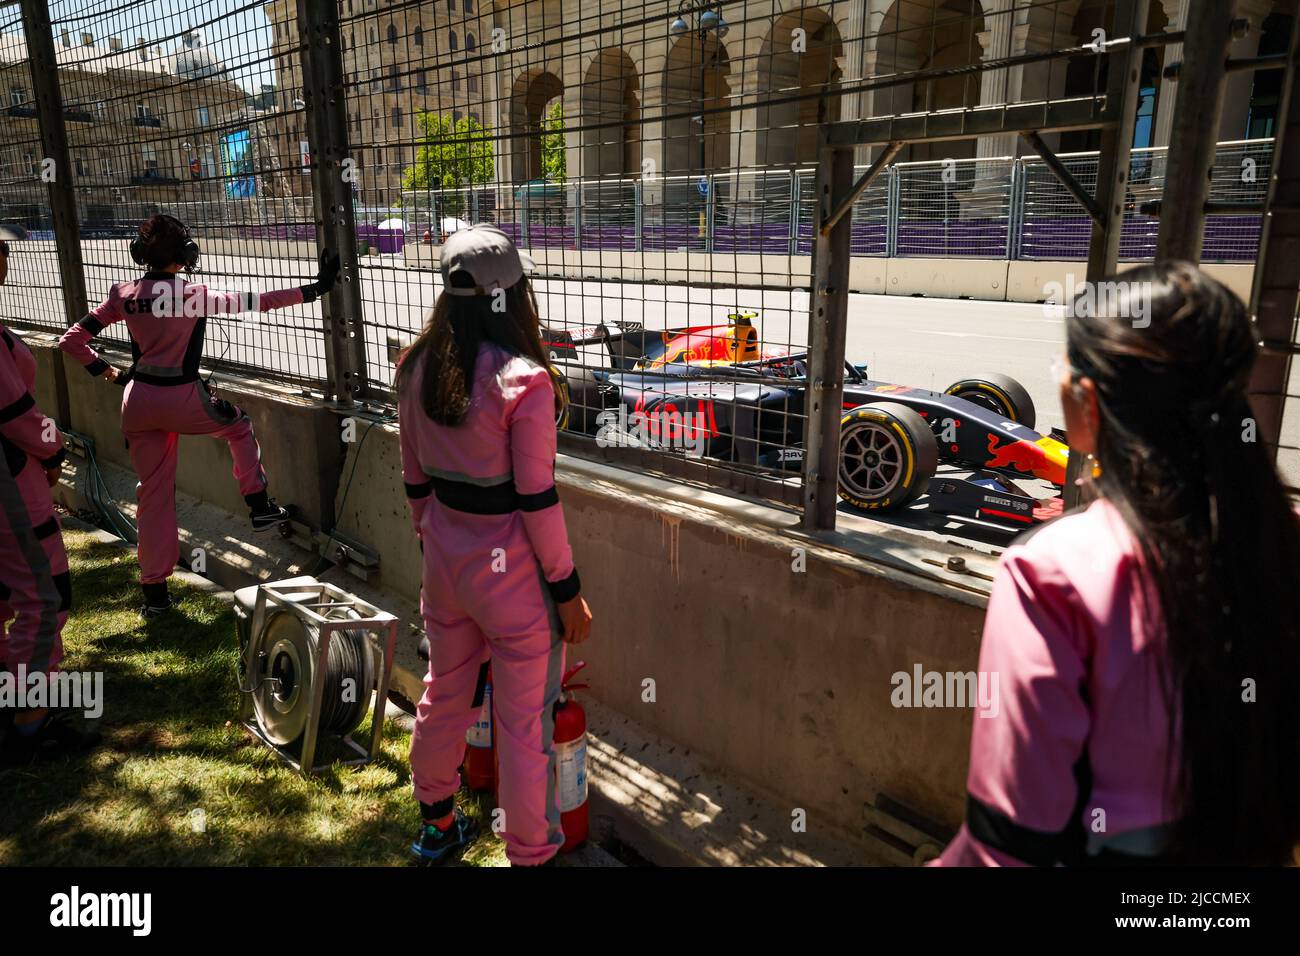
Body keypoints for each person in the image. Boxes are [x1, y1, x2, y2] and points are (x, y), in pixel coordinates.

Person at [933, 261, 1300, 866]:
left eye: (1067, 367)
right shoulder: (1281, 546)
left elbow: (1012, 843)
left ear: (1083, 399)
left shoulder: (1052, 573)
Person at [397, 224, 593, 866]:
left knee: (444, 690)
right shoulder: (526, 382)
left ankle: (436, 824)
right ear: (513, 296)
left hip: (446, 570)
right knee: (523, 726)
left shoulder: (415, 367)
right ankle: (531, 854)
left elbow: (416, 483)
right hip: (513, 589)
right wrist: (567, 592)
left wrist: (437, 551)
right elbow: (537, 500)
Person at [57, 214, 340, 617]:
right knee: (238, 427)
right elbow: (257, 300)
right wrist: (315, 289)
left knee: (153, 497)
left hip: (137, 402)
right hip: (183, 396)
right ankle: (259, 506)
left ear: (140, 255)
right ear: (186, 255)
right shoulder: (194, 294)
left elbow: (73, 340)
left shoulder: (123, 293)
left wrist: (111, 374)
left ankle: (155, 595)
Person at [0, 239, 99, 760]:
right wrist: (53, 444)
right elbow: (15, 413)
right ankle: (30, 723)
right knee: (44, 595)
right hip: (9, 478)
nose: (7, 256)